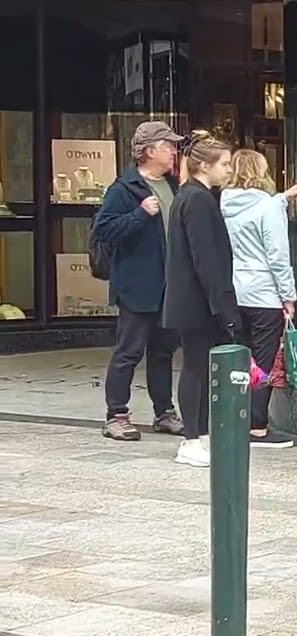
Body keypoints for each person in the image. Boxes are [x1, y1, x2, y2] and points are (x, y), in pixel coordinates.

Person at [94, 121, 186, 441]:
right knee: (129, 352)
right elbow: (102, 231)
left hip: (169, 287)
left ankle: (164, 412)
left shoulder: (174, 186)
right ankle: (116, 415)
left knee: (163, 352)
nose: (174, 151)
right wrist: (138, 214)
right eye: (168, 146)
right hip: (136, 287)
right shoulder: (123, 189)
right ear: (149, 151)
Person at [221, 149, 297, 448]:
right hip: (264, 293)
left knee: (241, 358)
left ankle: (238, 417)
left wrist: (281, 200)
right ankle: (258, 425)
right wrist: (289, 295)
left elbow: (254, 213)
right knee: (263, 361)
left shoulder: (224, 203)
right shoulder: (268, 207)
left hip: (236, 290)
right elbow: (277, 255)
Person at [162, 131, 237, 468]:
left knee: (202, 367)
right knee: (194, 367)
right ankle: (191, 437)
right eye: (224, 164)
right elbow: (205, 258)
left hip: (194, 298)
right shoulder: (196, 199)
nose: (229, 170)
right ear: (204, 165)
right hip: (196, 301)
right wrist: (222, 305)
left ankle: (201, 434)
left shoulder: (193, 197)